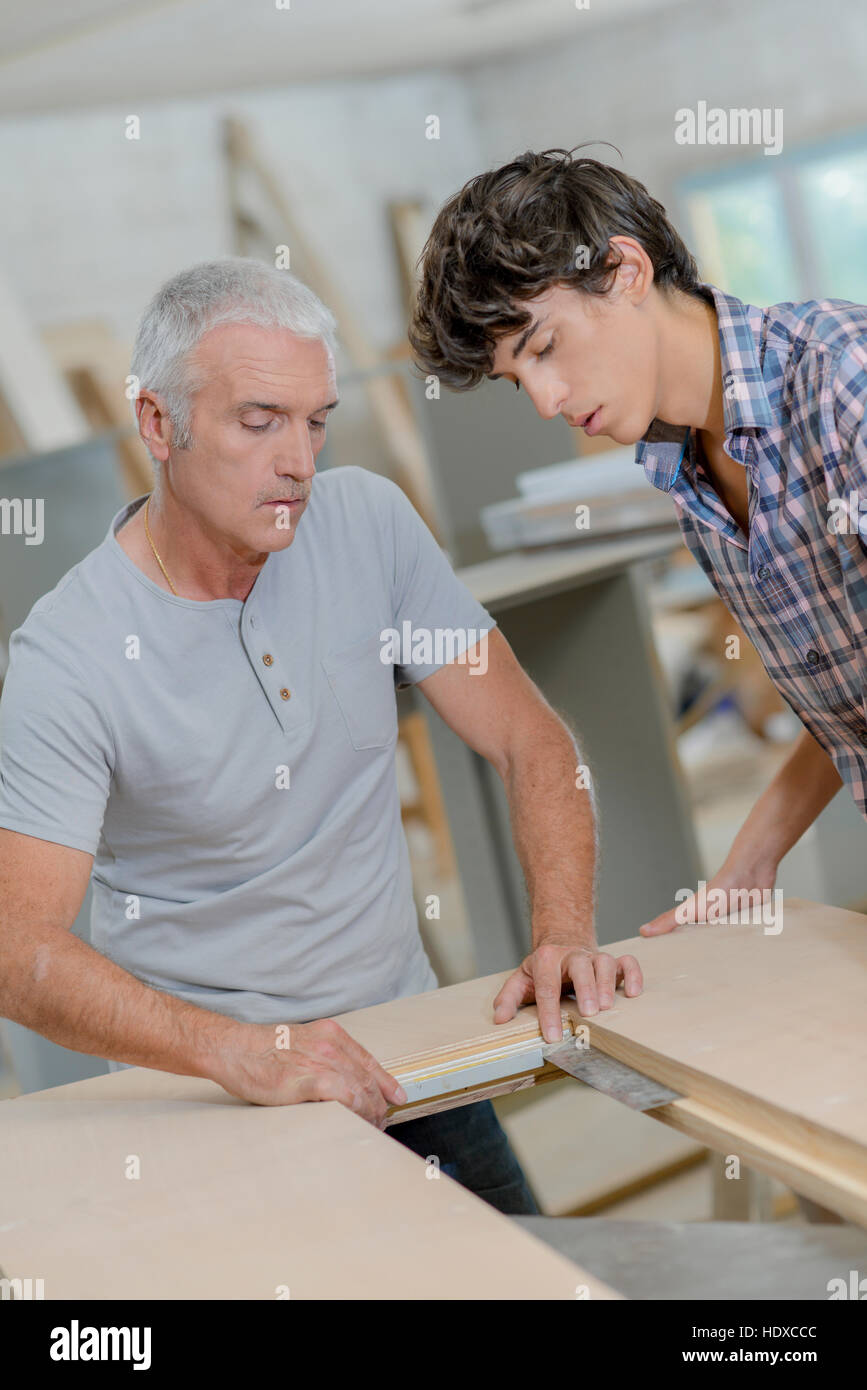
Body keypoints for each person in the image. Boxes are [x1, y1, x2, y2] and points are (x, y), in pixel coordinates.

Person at [0, 257, 642, 1215]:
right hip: (207, 1100)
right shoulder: (70, 654)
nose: (298, 459)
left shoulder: (367, 524)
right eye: (258, 422)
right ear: (157, 424)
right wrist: (243, 1053)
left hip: (404, 1052)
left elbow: (529, 742)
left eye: (315, 422)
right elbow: (16, 945)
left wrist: (562, 933)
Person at [409, 147, 867, 936]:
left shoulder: (840, 379)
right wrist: (749, 863)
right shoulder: (685, 471)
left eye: (544, 348)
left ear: (622, 270)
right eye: (520, 381)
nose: (546, 401)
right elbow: (846, 714)